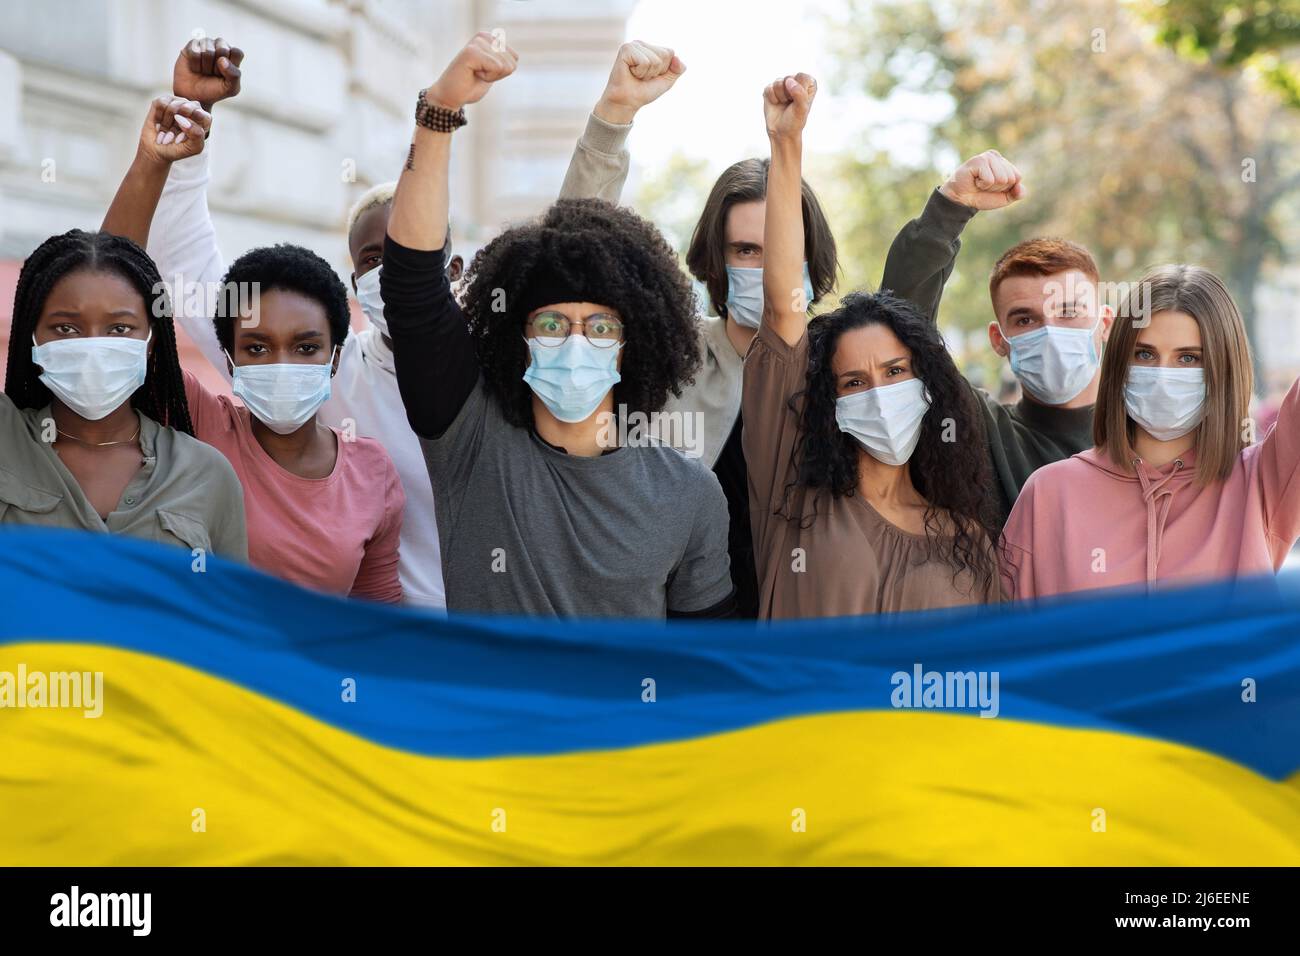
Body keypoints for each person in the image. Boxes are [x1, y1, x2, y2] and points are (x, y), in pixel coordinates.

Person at [380, 33, 734, 617]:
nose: (575, 341)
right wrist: (440, 113)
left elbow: (704, 667)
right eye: (551, 324)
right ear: (518, 339)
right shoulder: (469, 438)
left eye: (599, 327)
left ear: (631, 346)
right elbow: (412, 284)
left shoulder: (689, 493)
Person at [139, 36, 462, 608]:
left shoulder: (500, 371)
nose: (399, 276)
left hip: (503, 653)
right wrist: (196, 117)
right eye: (376, 258)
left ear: (451, 266)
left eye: (417, 256)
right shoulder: (315, 353)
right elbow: (182, 261)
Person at [102, 70, 404, 602]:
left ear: (336, 358)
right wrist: (154, 161)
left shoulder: (372, 472)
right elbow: (109, 305)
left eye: (306, 347)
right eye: (257, 347)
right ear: (231, 358)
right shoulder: (197, 421)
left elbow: (378, 621)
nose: (281, 363)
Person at [744, 72, 1000, 618]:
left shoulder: (970, 539)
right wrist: (786, 145)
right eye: (854, 382)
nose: (878, 392)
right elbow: (785, 306)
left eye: (895, 371)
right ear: (831, 405)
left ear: (928, 387)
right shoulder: (794, 498)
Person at [1003, 265, 1300, 598]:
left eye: (1188, 358)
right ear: (1119, 363)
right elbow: (1011, 641)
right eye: (1144, 354)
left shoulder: (1262, 484)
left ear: (1222, 370)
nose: (1162, 375)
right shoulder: (1049, 493)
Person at [882, 173, 1123, 526]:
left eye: (1069, 312)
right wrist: (950, 206)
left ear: (1104, 325)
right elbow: (898, 329)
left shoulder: (1149, 432)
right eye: (1026, 320)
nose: (1051, 334)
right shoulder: (983, 430)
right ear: (999, 339)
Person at [1, 225, 246, 559]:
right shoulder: (6, 439)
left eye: (119, 329)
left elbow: (220, 607)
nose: (93, 347)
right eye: (66, 328)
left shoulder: (206, 473)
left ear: (151, 340)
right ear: (32, 337)